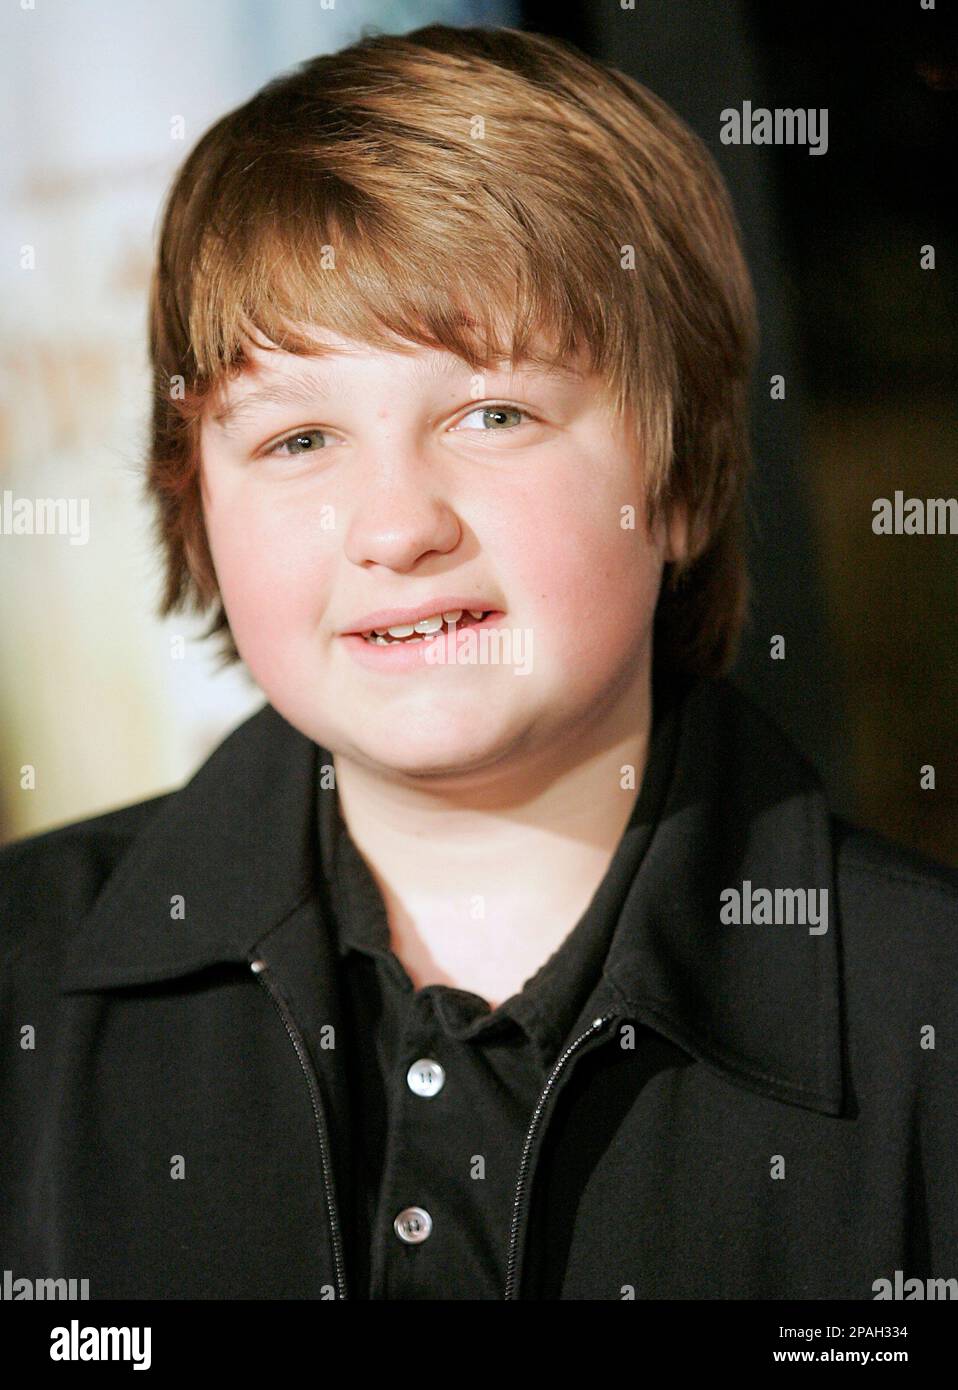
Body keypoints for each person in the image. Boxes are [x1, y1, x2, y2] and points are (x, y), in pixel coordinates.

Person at [2, 23, 956, 1302]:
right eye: (296, 440)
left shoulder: (924, 1025)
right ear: (197, 507)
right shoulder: (23, 975)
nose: (397, 526)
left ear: (675, 480)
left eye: (491, 414)